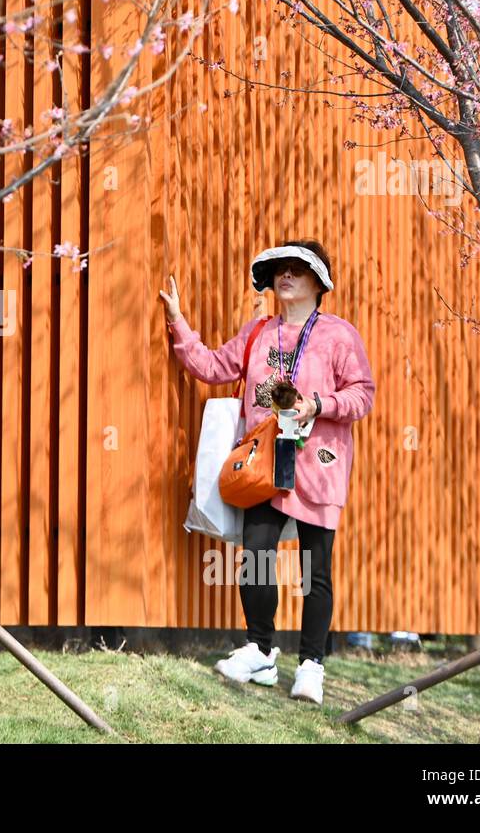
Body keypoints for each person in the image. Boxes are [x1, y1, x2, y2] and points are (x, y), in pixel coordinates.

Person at [159, 239, 375, 704]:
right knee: (256, 555)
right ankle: (260, 649)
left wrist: (320, 403)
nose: (286, 277)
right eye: (280, 270)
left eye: (297, 269)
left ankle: (311, 665)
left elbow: (363, 395)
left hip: (319, 462)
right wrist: (178, 322)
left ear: (319, 282)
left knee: (315, 569)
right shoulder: (258, 331)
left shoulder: (339, 335)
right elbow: (213, 366)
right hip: (265, 459)